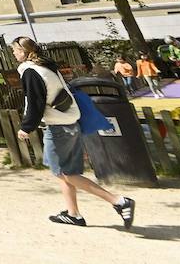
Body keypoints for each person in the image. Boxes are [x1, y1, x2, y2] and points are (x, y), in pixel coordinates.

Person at [13, 36, 135, 228]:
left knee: (67, 173)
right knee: (64, 171)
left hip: (58, 125)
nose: (13, 53)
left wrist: (27, 127)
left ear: (23, 51)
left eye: (15, 50)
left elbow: (35, 101)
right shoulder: (47, 66)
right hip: (69, 121)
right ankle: (73, 213)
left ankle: (118, 201)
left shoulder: (30, 71)